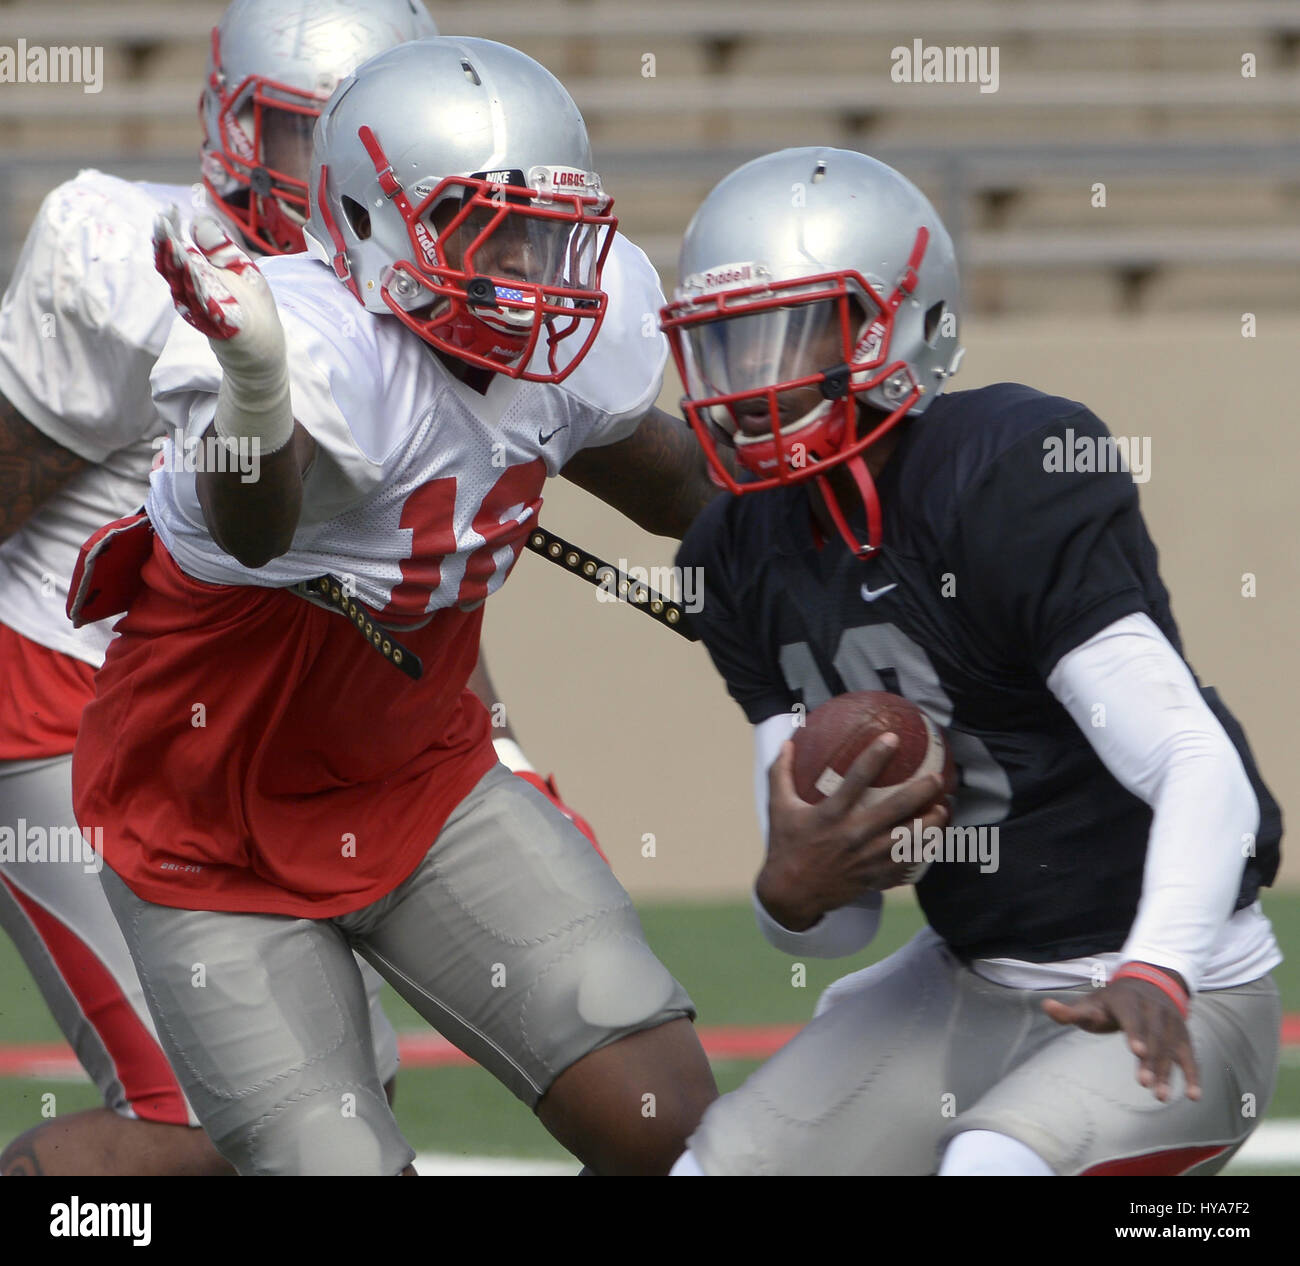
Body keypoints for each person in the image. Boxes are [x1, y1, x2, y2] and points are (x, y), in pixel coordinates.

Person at [73, 35, 720, 1177]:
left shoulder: (564, 346)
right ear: (373, 225)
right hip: (204, 830)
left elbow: (675, 488)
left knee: (662, 1117)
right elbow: (255, 521)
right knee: (335, 1164)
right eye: (490, 229)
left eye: (549, 230)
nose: (531, 266)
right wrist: (257, 384)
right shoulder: (311, 347)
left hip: (422, 783)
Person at [665, 146, 1283, 1176]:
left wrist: (1158, 967)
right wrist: (791, 890)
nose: (753, 379)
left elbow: (1193, 760)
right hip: (967, 979)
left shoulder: (1004, 471)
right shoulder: (734, 554)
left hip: (1182, 986)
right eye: (728, 344)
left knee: (992, 1166)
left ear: (899, 324)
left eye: (789, 332)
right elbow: (835, 926)